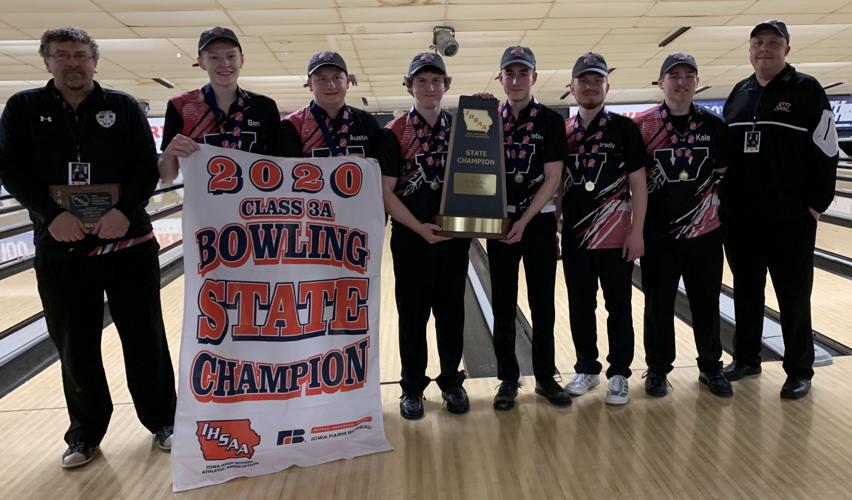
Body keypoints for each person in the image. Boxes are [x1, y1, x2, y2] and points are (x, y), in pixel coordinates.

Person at [0, 27, 176, 468]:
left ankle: (164, 421)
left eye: (81, 55)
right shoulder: (23, 108)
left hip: (128, 242)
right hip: (61, 249)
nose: (73, 63)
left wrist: (127, 208)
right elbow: (13, 171)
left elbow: (145, 167)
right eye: (62, 55)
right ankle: (84, 434)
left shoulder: (122, 107)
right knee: (74, 345)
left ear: (94, 62)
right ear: (47, 61)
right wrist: (50, 215)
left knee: (145, 338)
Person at [721, 20, 838, 399]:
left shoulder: (807, 90)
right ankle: (746, 358)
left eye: (773, 42)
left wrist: (815, 206)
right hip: (741, 218)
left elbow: (827, 149)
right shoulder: (740, 92)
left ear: (787, 48)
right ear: (750, 49)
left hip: (790, 219)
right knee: (747, 291)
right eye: (758, 43)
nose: (765, 49)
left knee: (792, 295)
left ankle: (799, 369)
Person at [634, 53, 733, 398]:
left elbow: (724, 176)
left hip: (704, 233)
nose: (681, 81)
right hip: (658, 235)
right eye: (673, 75)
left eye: (689, 75)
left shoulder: (713, 125)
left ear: (696, 82)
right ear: (660, 82)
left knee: (707, 303)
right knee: (658, 305)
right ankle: (658, 369)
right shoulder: (642, 126)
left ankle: (710, 367)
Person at [382, 52, 470, 419]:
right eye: (422, 81)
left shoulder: (466, 129)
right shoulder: (394, 131)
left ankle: (451, 381)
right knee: (413, 317)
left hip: (454, 238)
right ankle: (412, 388)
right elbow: (385, 192)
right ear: (410, 86)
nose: (430, 87)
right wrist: (418, 228)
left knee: (452, 314)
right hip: (411, 239)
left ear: (445, 85)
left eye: (436, 80)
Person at [488, 46, 572, 411]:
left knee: (543, 305)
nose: (517, 80)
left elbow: (553, 178)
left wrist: (524, 221)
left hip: (536, 223)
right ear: (501, 78)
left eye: (524, 73)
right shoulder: (487, 119)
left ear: (534, 78)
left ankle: (545, 377)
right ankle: (508, 379)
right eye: (510, 73)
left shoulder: (551, 121)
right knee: (503, 305)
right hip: (500, 223)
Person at [562, 52, 647, 406]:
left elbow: (639, 185)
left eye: (597, 80)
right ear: (572, 88)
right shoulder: (563, 132)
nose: (590, 86)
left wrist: (637, 231)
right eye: (584, 80)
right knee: (580, 306)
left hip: (615, 237)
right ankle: (587, 368)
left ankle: (619, 374)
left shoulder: (624, 129)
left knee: (619, 307)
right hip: (576, 238)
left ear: (607, 87)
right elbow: (555, 185)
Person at [158, 27, 286, 181]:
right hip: (204, 203)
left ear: (242, 60)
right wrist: (170, 152)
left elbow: (280, 164)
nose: (224, 63)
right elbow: (167, 176)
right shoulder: (181, 106)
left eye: (231, 56)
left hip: (253, 202)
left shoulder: (264, 106)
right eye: (214, 57)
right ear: (201, 62)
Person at [281, 51, 387, 162]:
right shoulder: (293, 125)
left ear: (348, 82)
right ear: (310, 84)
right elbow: (286, 173)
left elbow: (381, 168)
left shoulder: (366, 121)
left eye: (337, 78)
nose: (331, 85)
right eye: (322, 79)